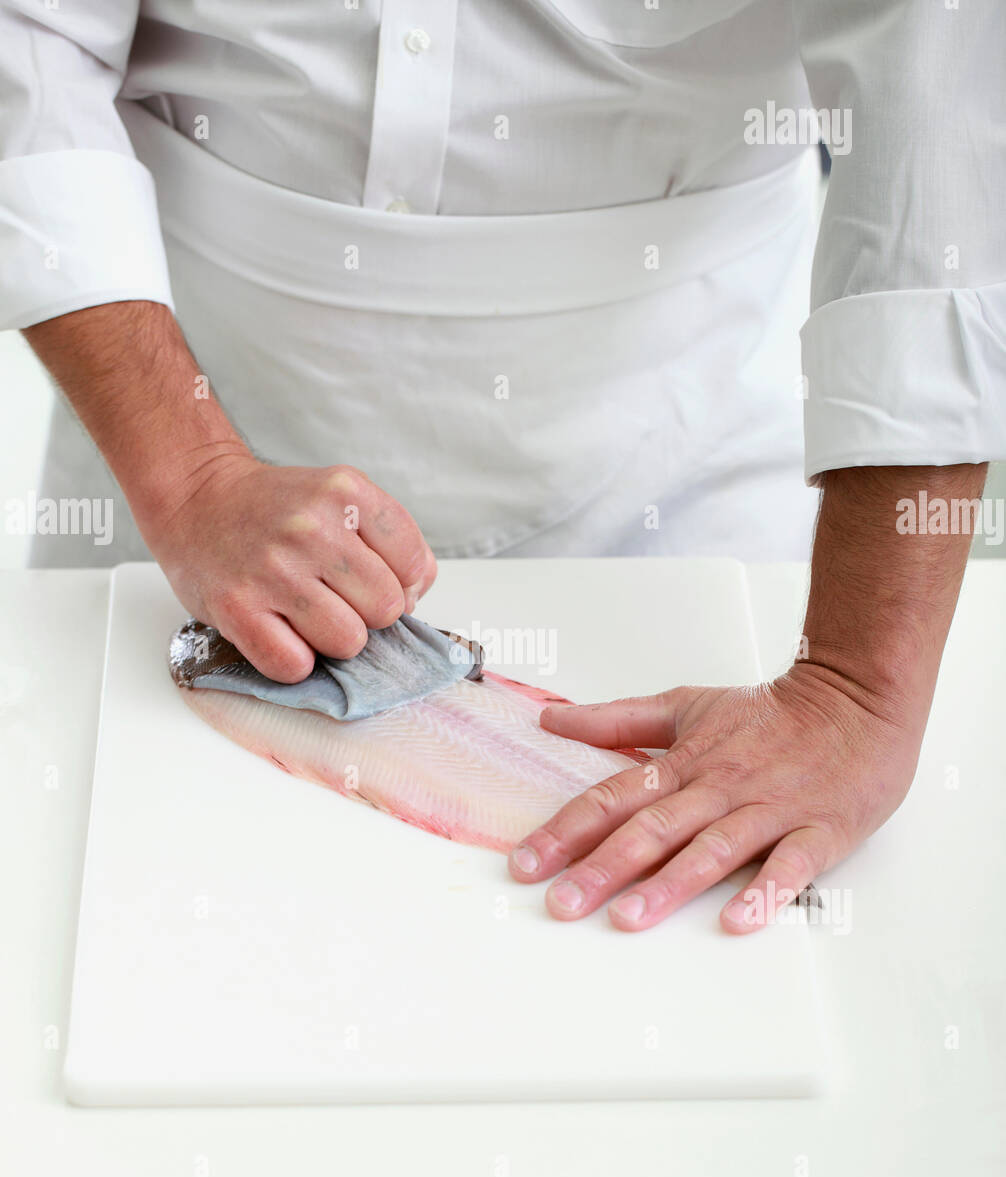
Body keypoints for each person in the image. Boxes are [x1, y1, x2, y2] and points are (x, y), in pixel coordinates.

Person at [1, 1, 1001, 930]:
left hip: (683, 467)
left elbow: (937, 109)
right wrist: (192, 474)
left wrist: (857, 689)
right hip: (173, 423)